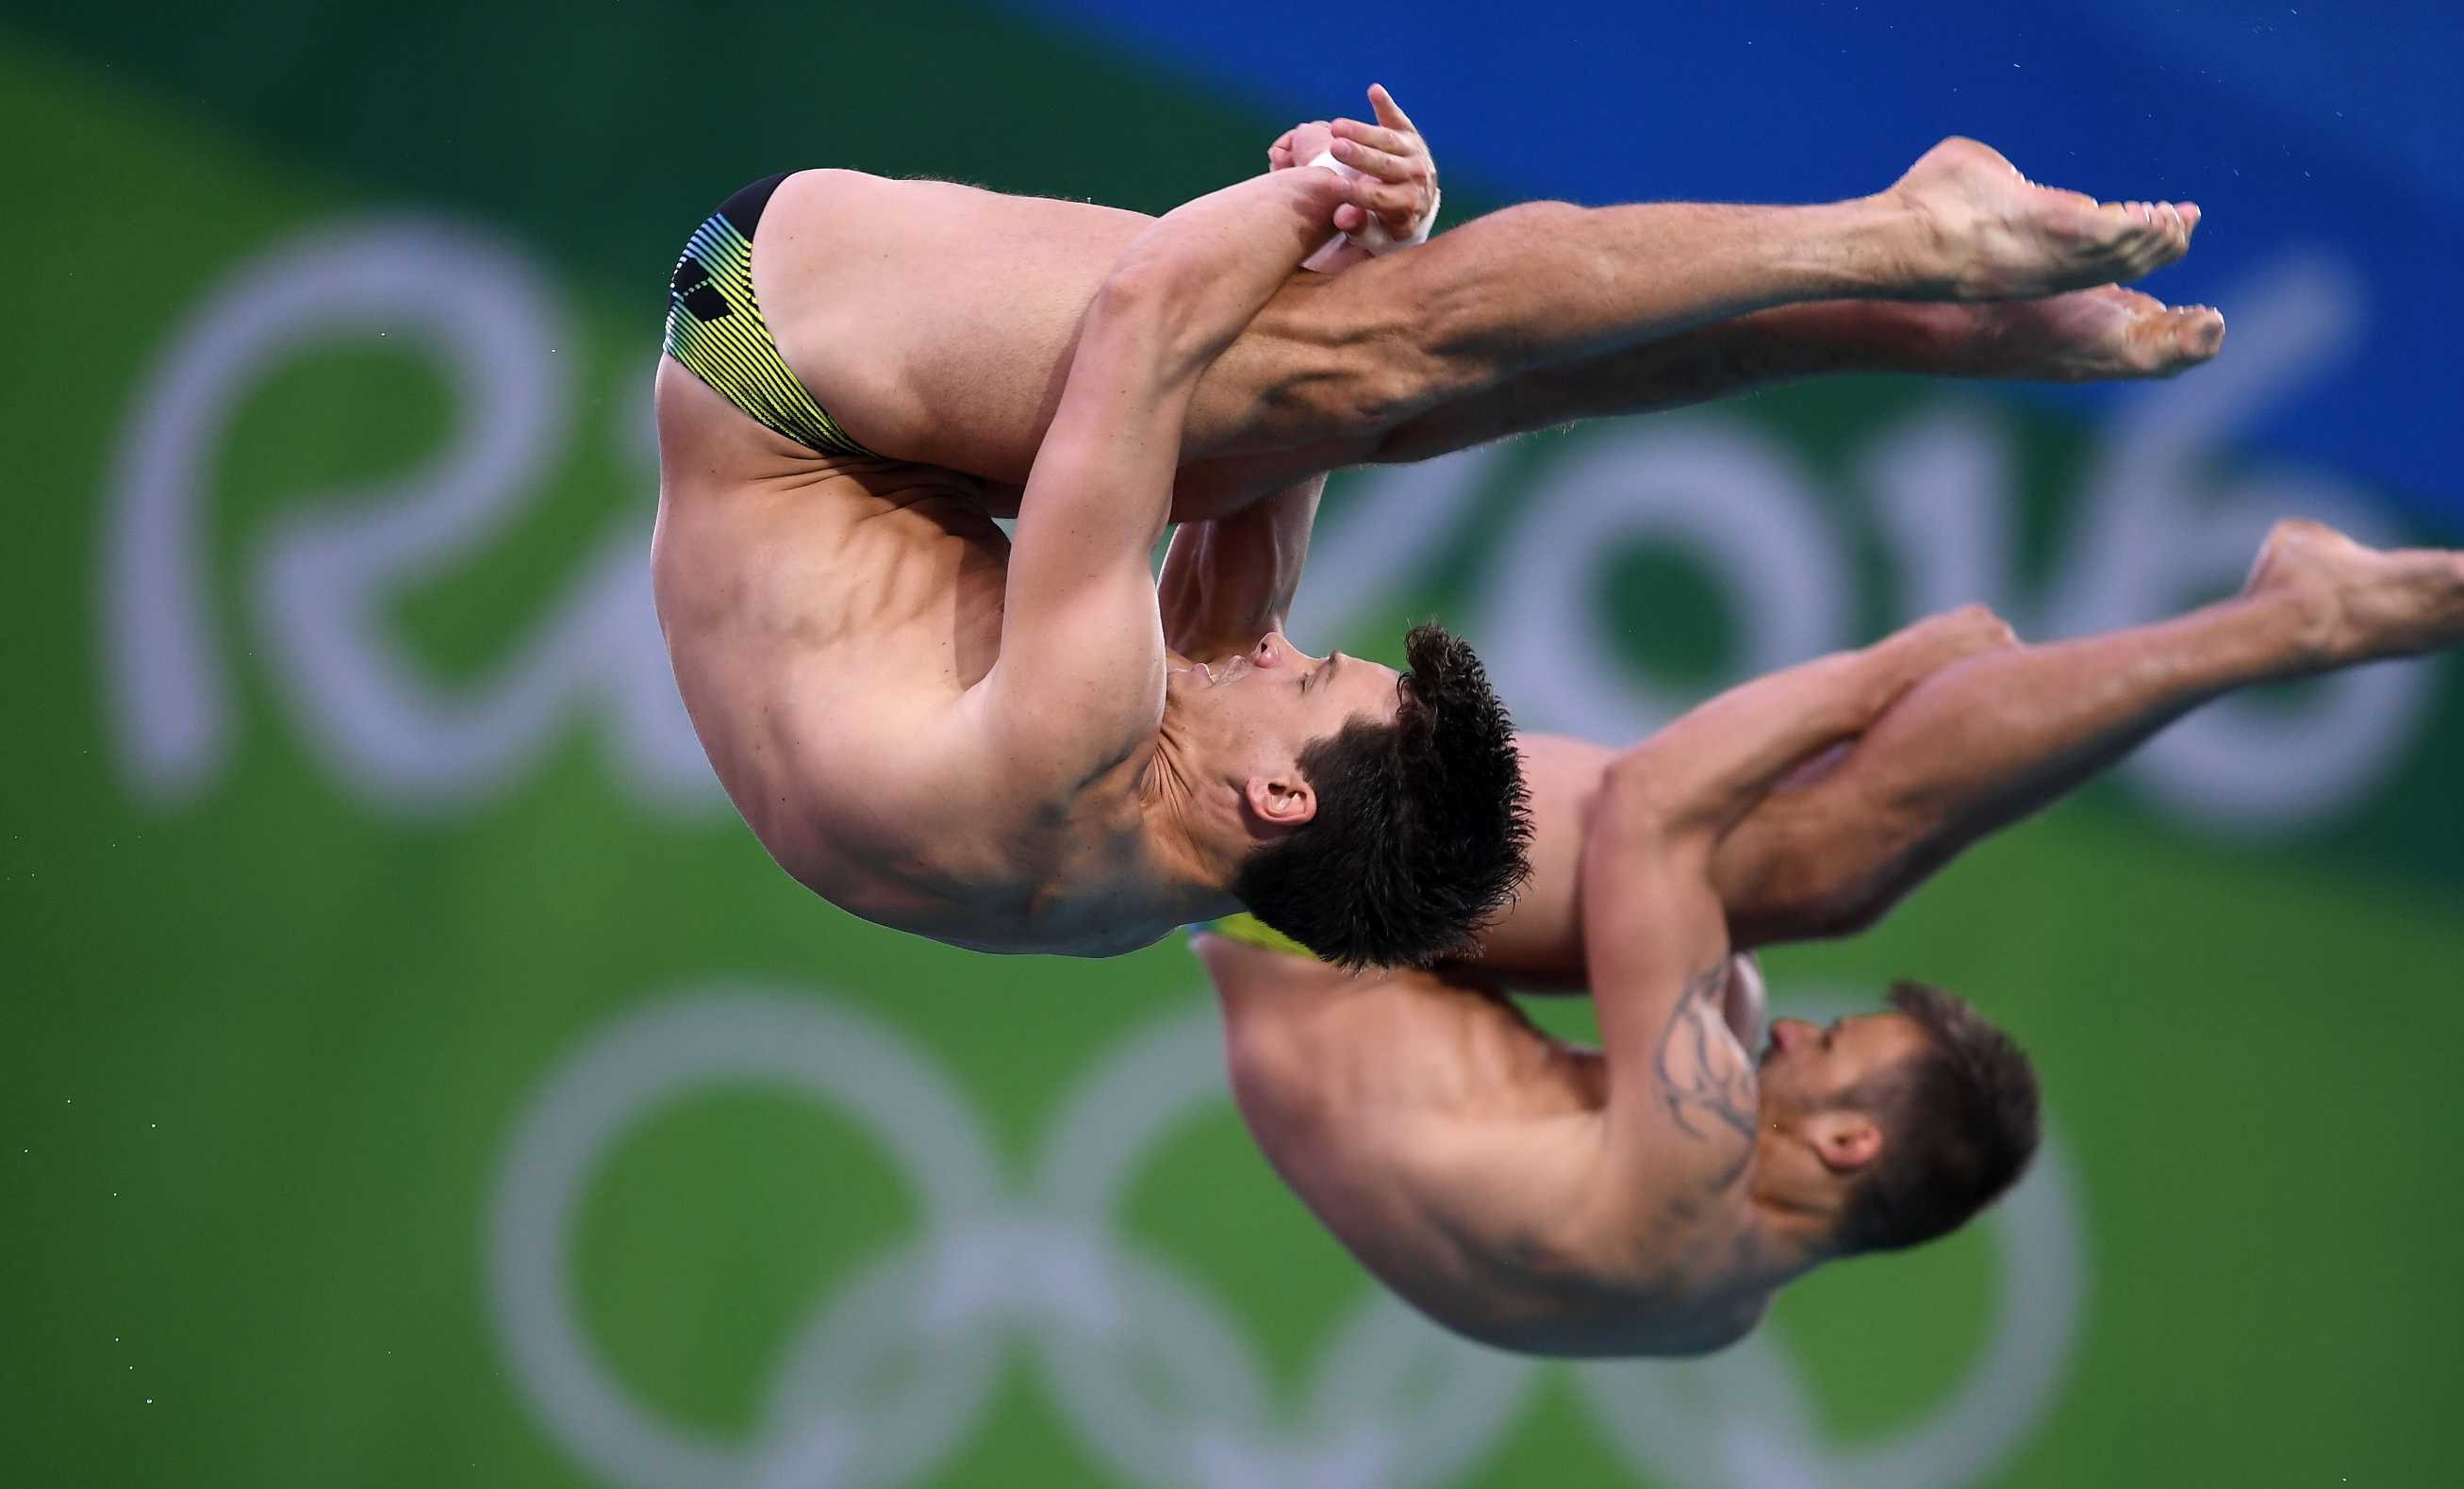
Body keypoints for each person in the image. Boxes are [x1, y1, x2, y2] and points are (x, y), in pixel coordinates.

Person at [651, 90, 2219, 965]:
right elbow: (1251, 531)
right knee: (1377, 396)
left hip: (780, 352)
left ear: (1279, 792)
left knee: (1364, 353)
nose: (1279, 640)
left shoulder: (1070, 745)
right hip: (876, 465)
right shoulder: (1180, 860)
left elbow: (1143, 325)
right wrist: (1345, 268)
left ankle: (1912, 233)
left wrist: (1321, 202)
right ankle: (1925, 331)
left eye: (1311, 669)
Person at [1195, 521, 2464, 1356]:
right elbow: (1694, 1009)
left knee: (1805, 857)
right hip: (1336, 955)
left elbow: (1658, 811)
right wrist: (1715, 990)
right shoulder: (1717, 1303)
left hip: (1321, 895)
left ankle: (2278, 625)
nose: (1797, 1032)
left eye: (1830, 1047)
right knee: (1795, 886)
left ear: (1849, 1146)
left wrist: (1882, 674)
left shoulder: (1694, 1159)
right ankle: (2270, 625)